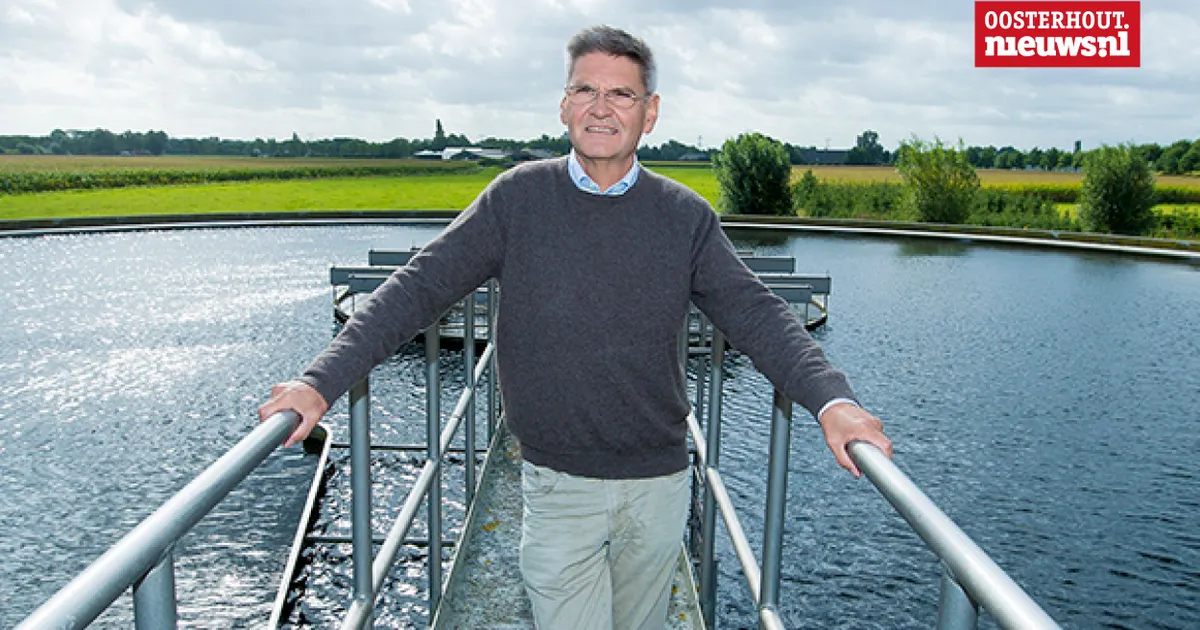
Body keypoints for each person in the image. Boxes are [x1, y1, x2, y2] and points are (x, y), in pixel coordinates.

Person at [260, 24, 892, 630]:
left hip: (659, 484)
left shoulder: (684, 217)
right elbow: (419, 288)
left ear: (650, 113)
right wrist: (320, 383)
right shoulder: (516, 200)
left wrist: (831, 400)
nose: (600, 107)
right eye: (584, 90)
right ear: (563, 108)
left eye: (620, 93)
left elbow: (757, 314)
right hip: (558, 483)